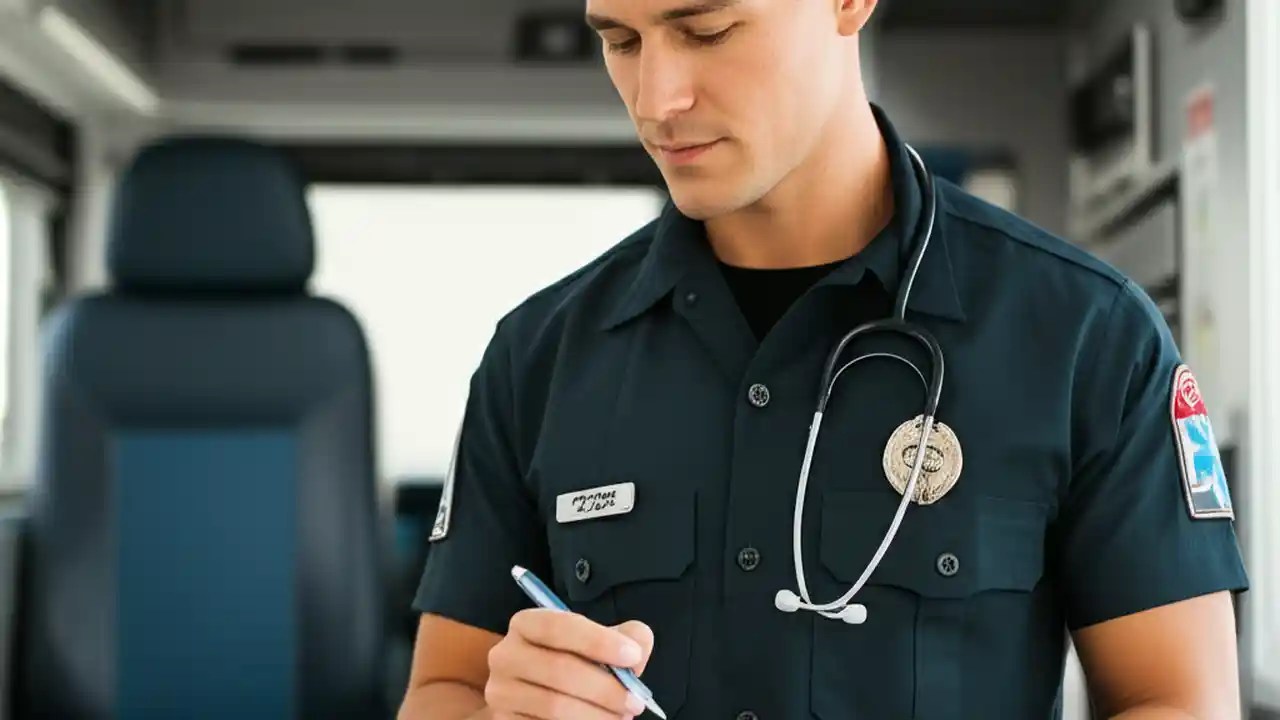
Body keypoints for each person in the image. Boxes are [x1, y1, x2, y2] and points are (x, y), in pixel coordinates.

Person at [398, 0, 1249, 717]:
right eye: (619, 40)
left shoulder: (1087, 337)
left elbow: (1180, 700)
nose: (657, 98)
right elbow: (443, 688)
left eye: (707, 29)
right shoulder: (536, 360)